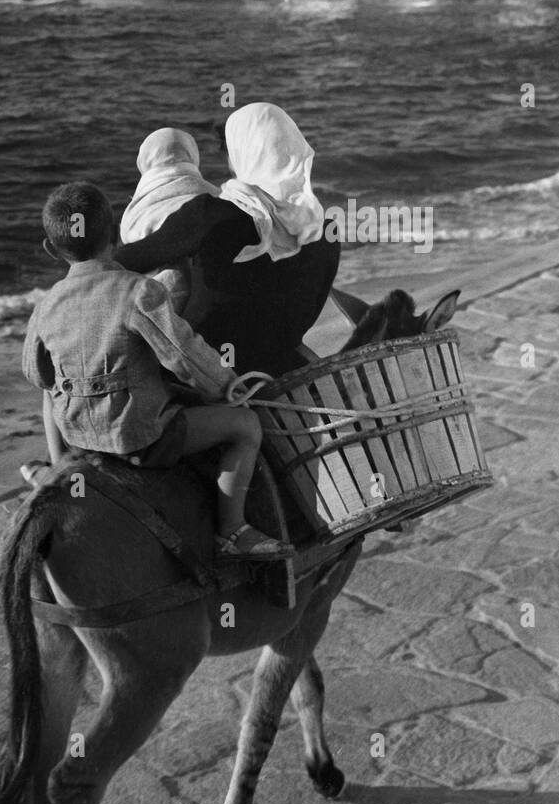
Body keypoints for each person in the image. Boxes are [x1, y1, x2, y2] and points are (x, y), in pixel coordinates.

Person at [22, 179, 292, 558]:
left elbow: (35, 375)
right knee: (245, 427)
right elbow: (185, 356)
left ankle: (56, 468)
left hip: (78, 438)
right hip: (141, 441)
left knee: (51, 389)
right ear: (115, 232)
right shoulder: (138, 292)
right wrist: (226, 386)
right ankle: (232, 531)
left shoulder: (45, 307)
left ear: (51, 249)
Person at [116, 103, 339, 379]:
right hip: (280, 368)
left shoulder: (210, 214)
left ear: (243, 153)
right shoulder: (324, 231)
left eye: (230, 152)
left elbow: (126, 261)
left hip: (207, 375)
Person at [119, 127, 219, 313]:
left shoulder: (138, 208)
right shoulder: (216, 197)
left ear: (144, 160)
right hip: (209, 301)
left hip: (150, 308)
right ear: (193, 155)